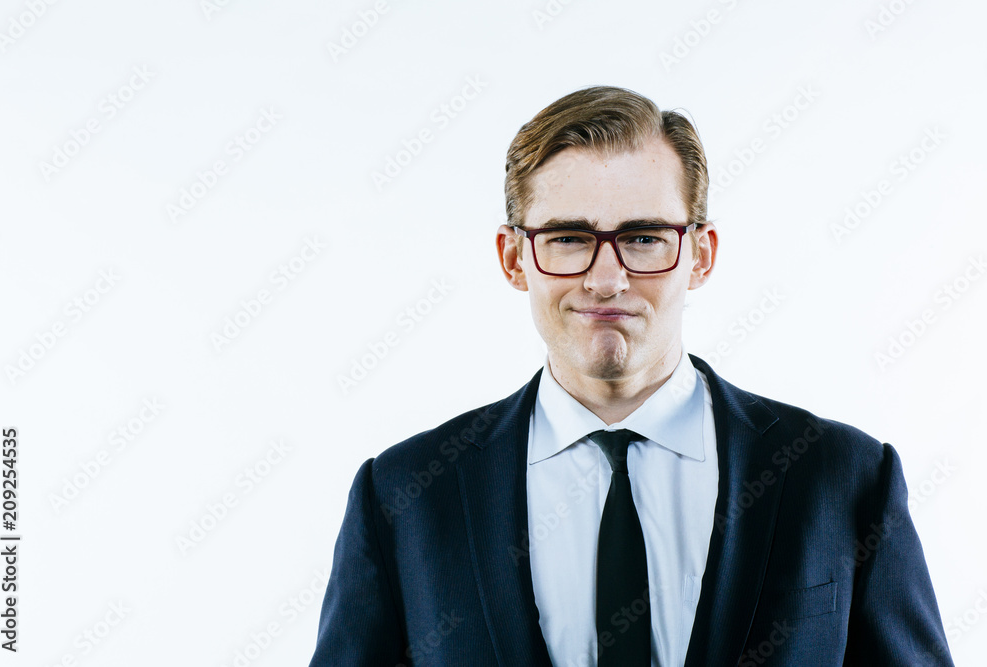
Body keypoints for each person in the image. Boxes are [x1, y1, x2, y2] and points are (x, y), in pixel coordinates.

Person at [308, 85, 954, 666]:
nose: (607, 279)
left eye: (644, 238)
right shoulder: (405, 498)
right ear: (513, 258)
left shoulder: (844, 478)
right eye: (567, 238)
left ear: (700, 255)